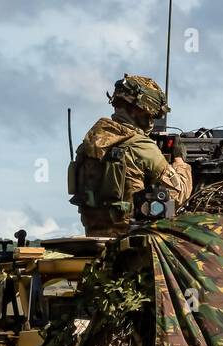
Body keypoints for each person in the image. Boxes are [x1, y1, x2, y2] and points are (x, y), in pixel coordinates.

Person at [69, 74, 192, 235]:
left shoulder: (89, 144)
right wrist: (180, 162)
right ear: (137, 110)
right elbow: (179, 195)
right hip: (134, 241)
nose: (151, 122)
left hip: (96, 236)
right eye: (150, 115)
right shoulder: (140, 146)